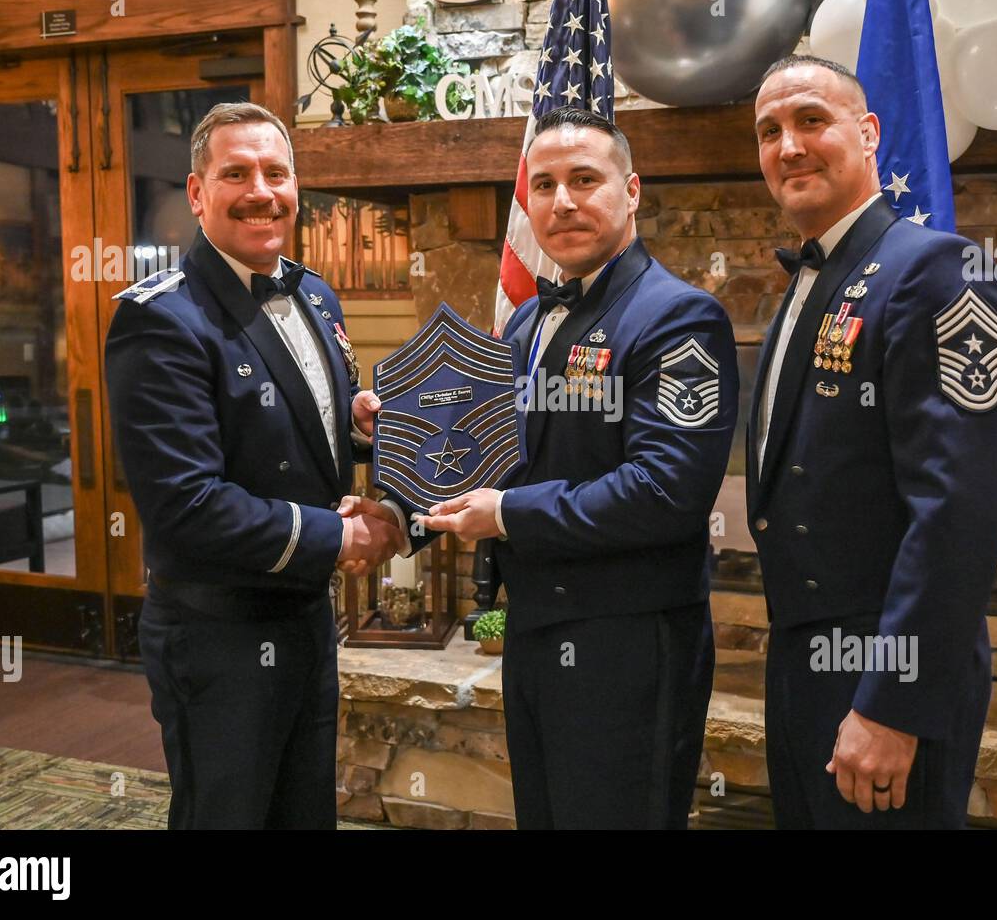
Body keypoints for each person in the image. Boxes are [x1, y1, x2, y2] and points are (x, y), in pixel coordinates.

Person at [416, 106, 738, 829]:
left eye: (585, 179)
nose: (561, 201)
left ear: (631, 192)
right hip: (532, 628)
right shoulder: (528, 321)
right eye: (544, 184)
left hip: (625, 644)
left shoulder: (680, 317)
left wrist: (502, 513)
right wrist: (386, 432)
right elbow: (491, 450)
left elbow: (664, 491)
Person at [105, 101, 404, 829]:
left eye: (276, 171)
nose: (261, 190)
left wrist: (358, 428)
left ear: (297, 185)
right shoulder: (160, 318)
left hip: (304, 616)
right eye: (236, 173)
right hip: (218, 632)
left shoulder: (315, 294)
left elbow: (296, 429)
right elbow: (188, 503)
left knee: (304, 814)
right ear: (198, 192)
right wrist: (341, 539)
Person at [746, 55, 997, 828]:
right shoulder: (812, 282)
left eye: (810, 121)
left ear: (867, 135)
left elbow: (959, 508)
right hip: (804, 663)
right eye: (769, 132)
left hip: (884, 673)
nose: (789, 146)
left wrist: (894, 705)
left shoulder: (937, 271)